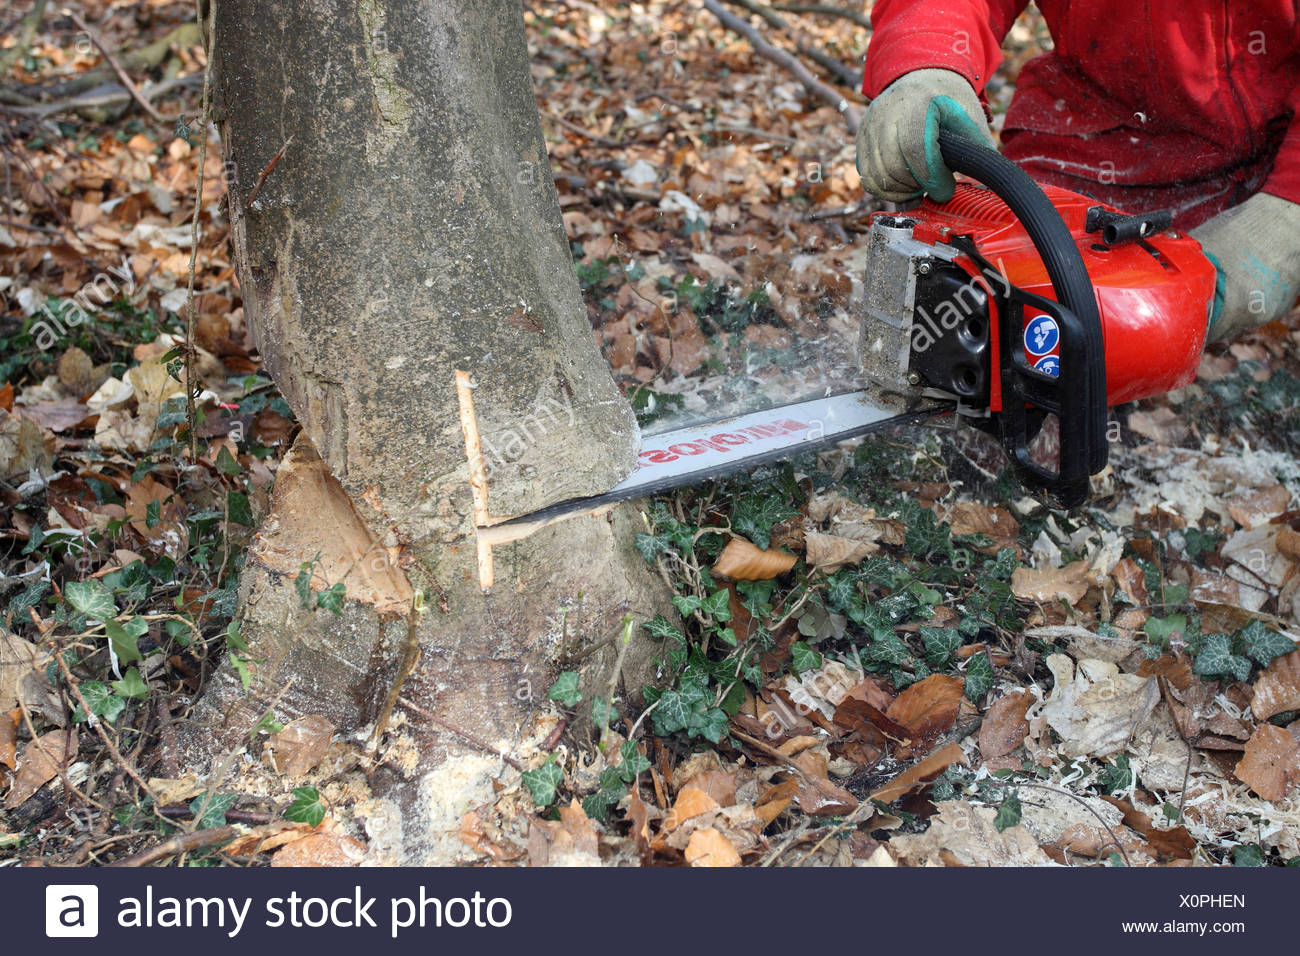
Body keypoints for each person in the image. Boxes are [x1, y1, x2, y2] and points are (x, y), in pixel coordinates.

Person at [855, 0, 1300, 342]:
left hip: (1275, 155)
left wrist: (1288, 212)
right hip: (1088, 132)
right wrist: (927, 62)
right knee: (1009, 300)